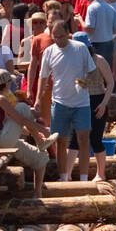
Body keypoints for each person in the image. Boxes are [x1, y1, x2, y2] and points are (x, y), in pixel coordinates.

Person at [36, 20, 95, 180]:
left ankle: (83, 178)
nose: (58, 40)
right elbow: (43, 77)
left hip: (81, 102)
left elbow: (91, 71)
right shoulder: (49, 51)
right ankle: (63, 177)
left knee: (83, 139)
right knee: (60, 141)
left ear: (68, 34)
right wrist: (38, 99)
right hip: (60, 102)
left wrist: (85, 82)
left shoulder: (80, 48)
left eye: (61, 36)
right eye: (55, 37)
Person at [0, 68, 50, 195]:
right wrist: (43, 130)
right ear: (6, 83)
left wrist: (30, 130)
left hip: (4, 139)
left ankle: (37, 194)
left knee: (41, 158)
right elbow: (20, 119)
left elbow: (11, 122)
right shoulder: (0, 99)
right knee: (23, 107)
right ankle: (40, 141)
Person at [67, 33, 116, 181]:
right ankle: (67, 174)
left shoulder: (99, 60)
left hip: (97, 100)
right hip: (80, 101)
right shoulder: (72, 62)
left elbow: (111, 83)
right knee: (74, 138)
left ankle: (100, 174)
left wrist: (103, 104)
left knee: (95, 138)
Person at [83, 0, 116, 71]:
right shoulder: (110, 7)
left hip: (96, 45)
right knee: (106, 72)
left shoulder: (92, 7)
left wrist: (79, 20)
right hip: (109, 44)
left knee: (95, 73)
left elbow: (90, 30)